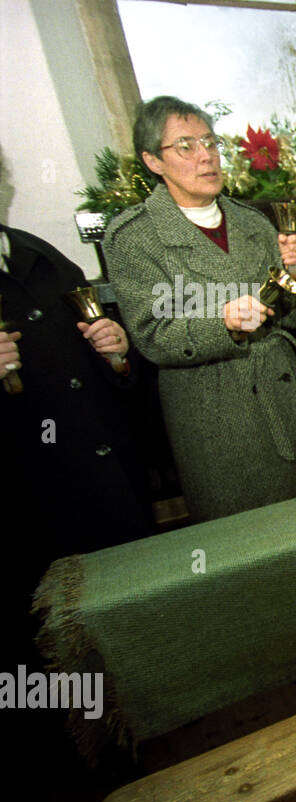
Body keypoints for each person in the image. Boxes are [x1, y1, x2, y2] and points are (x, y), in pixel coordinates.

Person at [104, 95, 296, 523]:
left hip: (289, 397)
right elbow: (153, 336)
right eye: (186, 146)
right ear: (153, 161)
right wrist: (223, 324)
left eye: (211, 142)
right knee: (247, 541)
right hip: (216, 416)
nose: (207, 156)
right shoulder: (135, 238)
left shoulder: (251, 221)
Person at [1, 222, 154, 633]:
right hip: (29, 506)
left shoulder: (35, 251)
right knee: (61, 645)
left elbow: (99, 354)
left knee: (140, 615)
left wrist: (117, 351)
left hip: (104, 478)